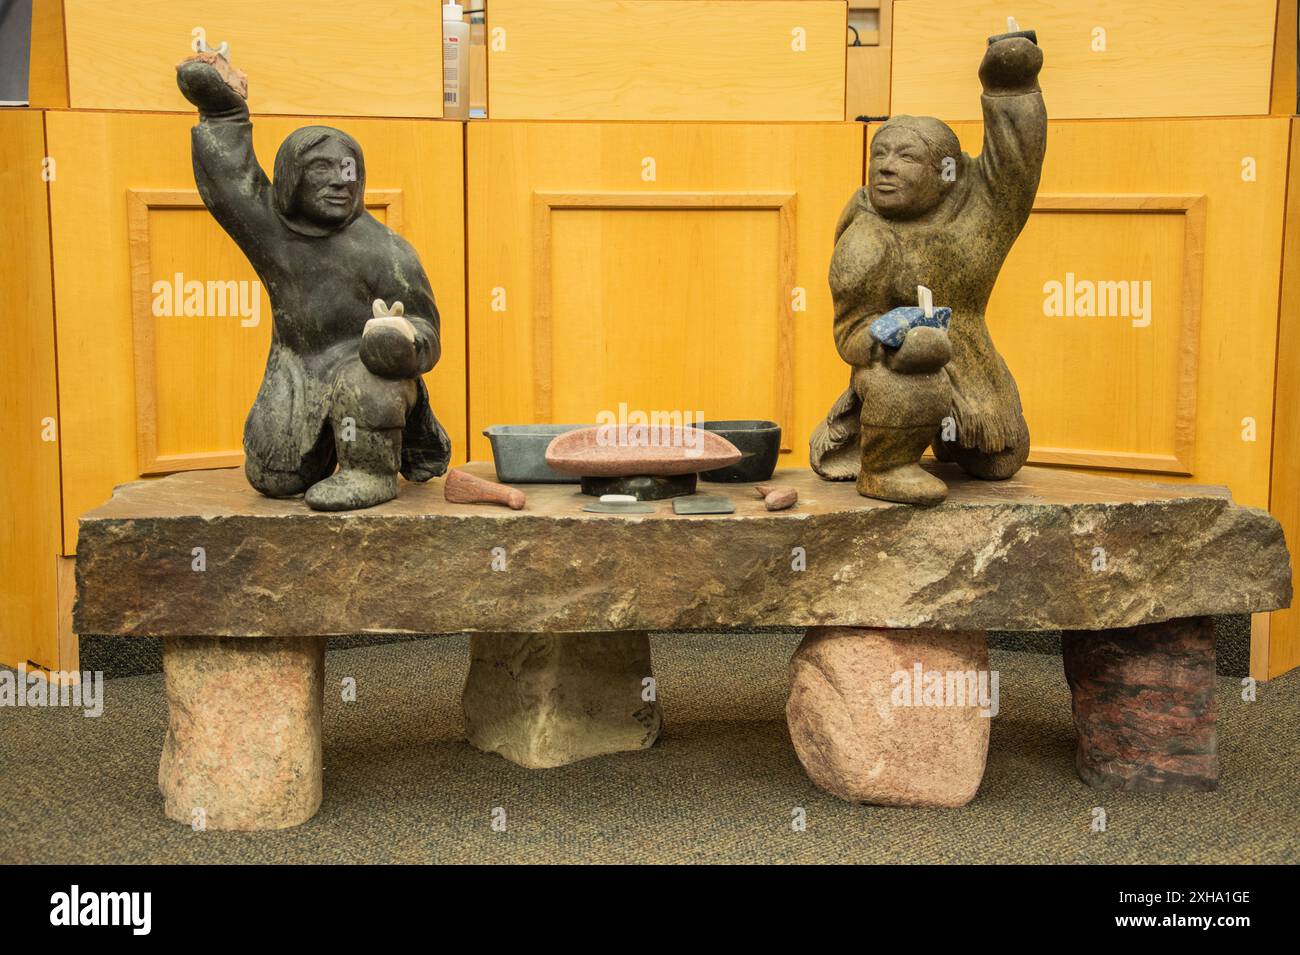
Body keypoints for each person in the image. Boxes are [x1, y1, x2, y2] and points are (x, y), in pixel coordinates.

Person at [175, 52, 451, 510]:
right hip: (297, 369)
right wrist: (223, 111)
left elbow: (427, 332)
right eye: (321, 169)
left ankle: (370, 471)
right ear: (290, 180)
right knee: (273, 478)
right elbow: (230, 181)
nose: (340, 182)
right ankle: (312, 454)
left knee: (369, 376)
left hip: (367, 377)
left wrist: (402, 340)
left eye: (348, 171)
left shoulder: (386, 251)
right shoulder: (272, 230)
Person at [811, 34, 1047, 484]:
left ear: (946, 174)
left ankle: (951, 429)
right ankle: (885, 468)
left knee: (999, 462)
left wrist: (1009, 89)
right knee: (913, 384)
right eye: (879, 154)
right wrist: (894, 344)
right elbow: (849, 331)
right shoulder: (867, 235)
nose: (885, 166)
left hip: (975, 365)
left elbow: (1016, 166)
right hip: (898, 372)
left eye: (906, 156)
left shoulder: (978, 210)